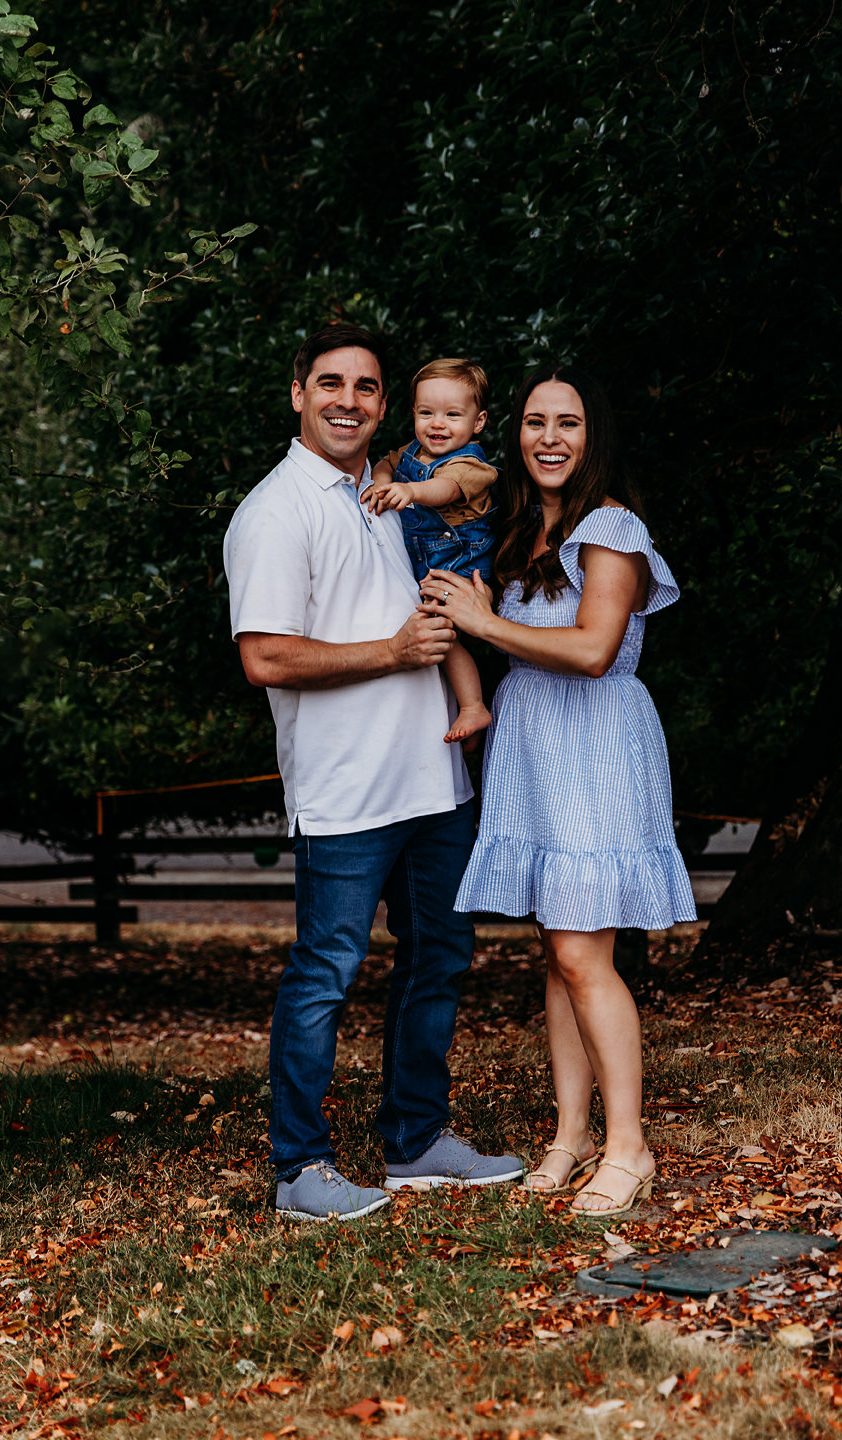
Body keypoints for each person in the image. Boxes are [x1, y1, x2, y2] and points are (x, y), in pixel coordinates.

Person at [222, 323, 522, 1222]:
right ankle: (300, 1169)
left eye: (364, 387)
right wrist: (392, 652)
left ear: (384, 403)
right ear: (298, 394)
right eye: (330, 383)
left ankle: (416, 1140)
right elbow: (265, 658)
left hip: (434, 781)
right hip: (346, 792)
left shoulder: (391, 493)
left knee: (439, 960)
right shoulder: (277, 510)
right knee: (325, 973)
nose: (347, 400)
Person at [420, 363, 696, 1220]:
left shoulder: (610, 526)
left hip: (594, 744)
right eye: (535, 421)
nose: (548, 438)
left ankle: (630, 1146)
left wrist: (484, 623)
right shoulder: (518, 526)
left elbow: (594, 650)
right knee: (559, 950)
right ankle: (570, 1135)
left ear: (593, 435)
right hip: (535, 743)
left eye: (567, 423)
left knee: (583, 953)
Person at [361, 358, 498, 746]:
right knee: (432, 642)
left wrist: (410, 491)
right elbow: (384, 463)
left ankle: (473, 706)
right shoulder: (412, 453)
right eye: (426, 413)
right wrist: (381, 483)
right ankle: (460, 717)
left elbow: (446, 489)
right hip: (429, 566)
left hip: (461, 567)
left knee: (441, 635)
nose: (438, 424)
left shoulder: (470, 463)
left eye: (452, 414)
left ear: (478, 421)